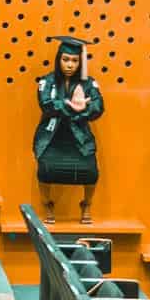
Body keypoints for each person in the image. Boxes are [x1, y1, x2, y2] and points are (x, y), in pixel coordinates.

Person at [32, 35, 104, 224]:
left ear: (80, 62)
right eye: (65, 60)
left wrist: (82, 110)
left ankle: (86, 204)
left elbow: (98, 107)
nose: (69, 65)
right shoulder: (47, 81)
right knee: (45, 171)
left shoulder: (89, 83)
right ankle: (47, 203)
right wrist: (72, 106)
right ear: (59, 60)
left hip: (79, 137)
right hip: (52, 136)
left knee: (91, 173)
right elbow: (46, 104)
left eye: (74, 60)